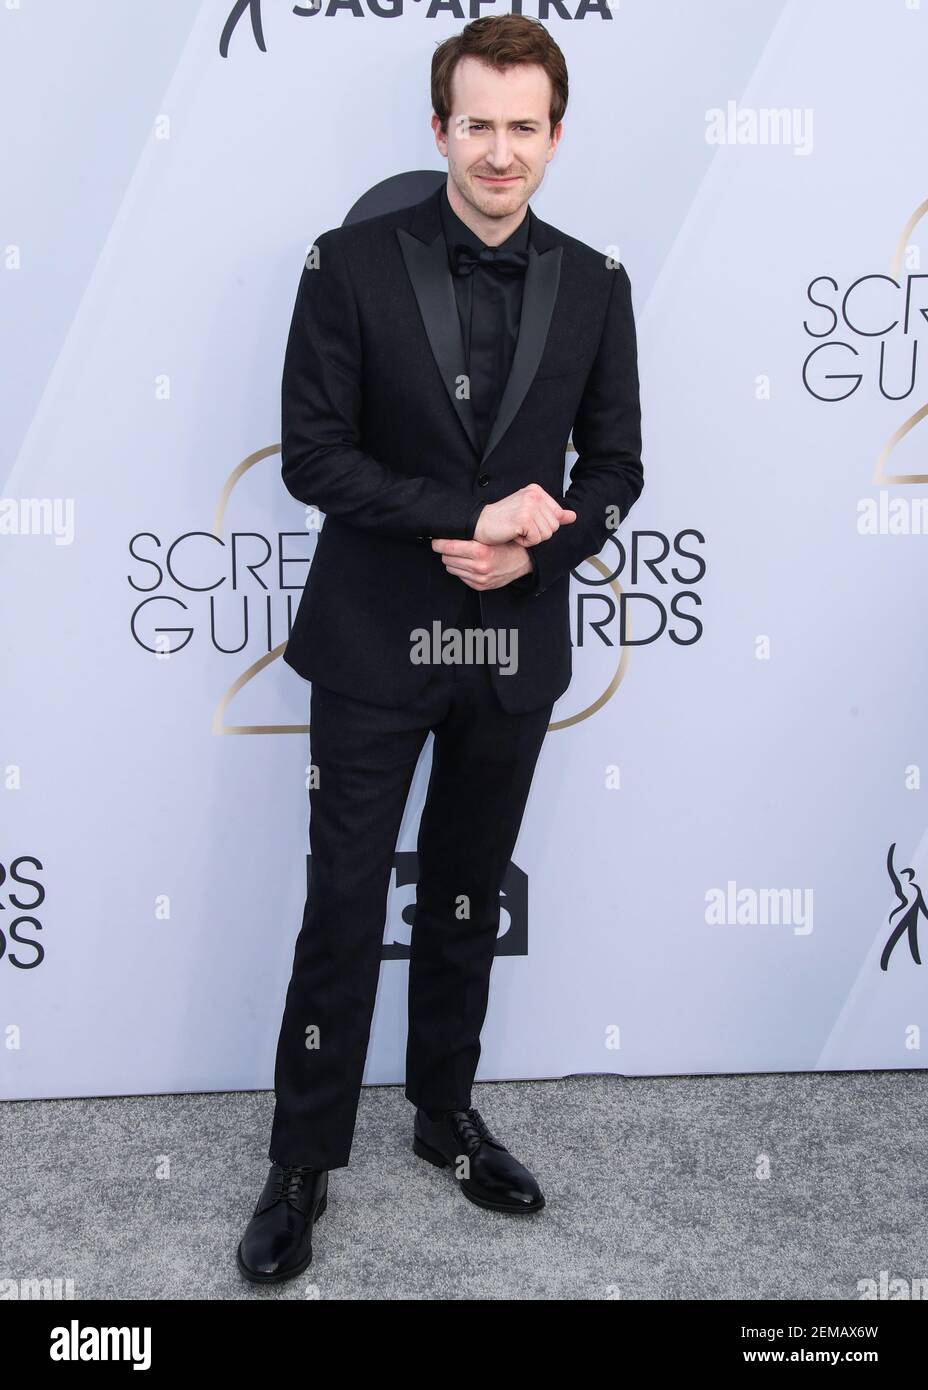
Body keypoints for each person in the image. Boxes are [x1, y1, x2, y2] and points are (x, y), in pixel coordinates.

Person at [237, 13, 643, 1283]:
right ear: (440, 129)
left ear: (555, 137)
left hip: (511, 644)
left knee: (467, 892)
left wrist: (539, 553)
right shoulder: (343, 264)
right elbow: (314, 459)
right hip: (371, 643)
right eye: (479, 124)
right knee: (344, 902)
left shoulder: (595, 282)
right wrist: (464, 517)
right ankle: (301, 1160)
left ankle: (441, 1115)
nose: (500, 151)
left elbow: (618, 470)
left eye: (526, 127)